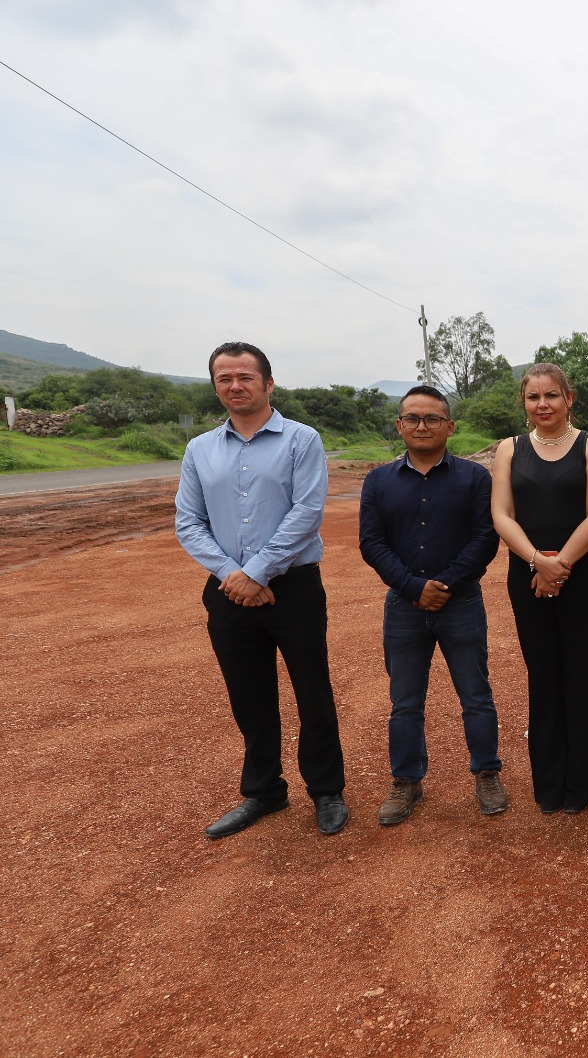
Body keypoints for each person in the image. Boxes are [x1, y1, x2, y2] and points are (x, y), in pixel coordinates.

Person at [175, 342, 348, 838]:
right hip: (228, 591)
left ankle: (326, 790)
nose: (235, 386)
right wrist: (235, 575)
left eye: (245, 377)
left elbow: (307, 512)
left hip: (293, 587)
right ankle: (264, 791)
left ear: (268, 383)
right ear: (215, 386)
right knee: (248, 695)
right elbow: (188, 522)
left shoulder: (301, 440)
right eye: (224, 378)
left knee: (312, 690)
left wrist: (258, 573)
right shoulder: (200, 450)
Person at [359, 385, 505, 825]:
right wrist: (412, 586)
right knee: (404, 702)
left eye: (432, 419)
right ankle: (406, 780)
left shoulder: (475, 478)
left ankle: (486, 773)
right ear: (399, 425)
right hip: (404, 607)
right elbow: (372, 543)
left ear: (450, 426)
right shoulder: (379, 481)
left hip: (461, 603)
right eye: (412, 419)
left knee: (476, 696)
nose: (422, 426)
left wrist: (445, 583)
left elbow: (485, 538)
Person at [490, 363, 588, 814]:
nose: (543, 405)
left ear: (569, 398)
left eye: (551, 396)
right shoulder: (509, 448)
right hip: (526, 575)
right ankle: (549, 784)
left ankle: (583, 783)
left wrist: (558, 565)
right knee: (542, 675)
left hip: (580, 576)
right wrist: (536, 562)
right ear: (524, 403)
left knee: (579, 675)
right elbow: (502, 514)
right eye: (533, 398)